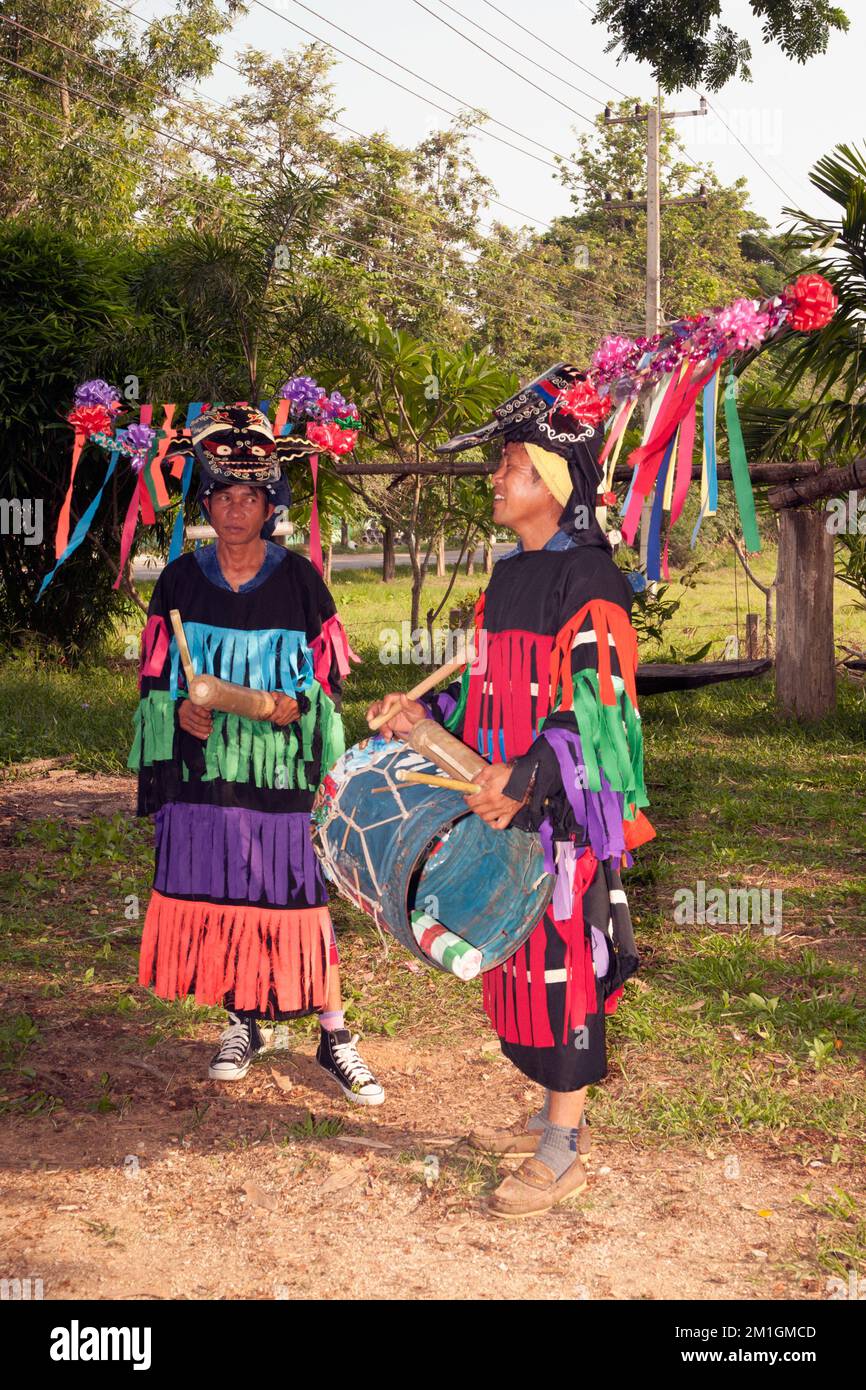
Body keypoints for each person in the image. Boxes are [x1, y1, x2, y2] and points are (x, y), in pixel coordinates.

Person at [367, 366, 653, 1215]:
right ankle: (551, 1112)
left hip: (557, 816)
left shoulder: (588, 581)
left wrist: (527, 779)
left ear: (558, 485)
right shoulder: (509, 577)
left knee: (564, 966)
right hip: (499, 804)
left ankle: (564, 1147)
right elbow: (490, 687)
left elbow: (596, 709)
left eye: (515, 464)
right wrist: (426, 714)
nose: (498, 477)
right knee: (519, 962)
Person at [130, 404, 383, 1104]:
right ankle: (244, 1019)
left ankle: (333, 1034)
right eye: (223, 495)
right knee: (231, 885)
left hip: (278, 771)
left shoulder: (298, 580)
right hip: (207, 772)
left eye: (251, 496)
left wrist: (291, 704)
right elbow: (155, 681)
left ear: (271, 504)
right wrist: (179, 711)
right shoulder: (179, 581)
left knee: (298, 895)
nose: (236, 509)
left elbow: (324, 680)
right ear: (204, 501)